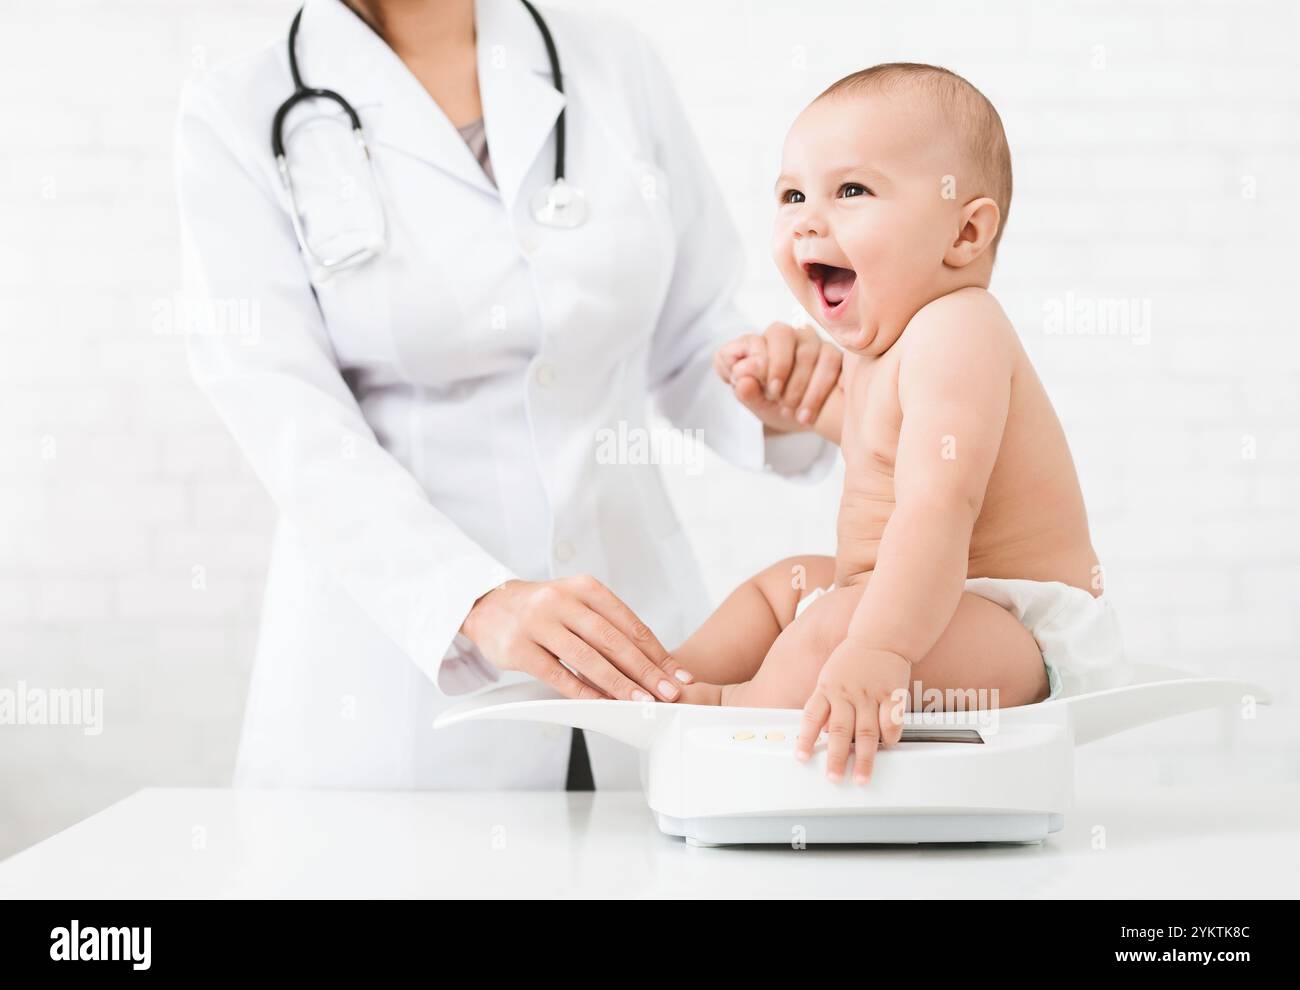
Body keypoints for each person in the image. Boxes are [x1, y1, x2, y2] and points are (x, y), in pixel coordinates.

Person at [174, 0, 842, 789]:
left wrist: (773, 398)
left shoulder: (612, 60)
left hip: (644, 654)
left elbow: (695, 334)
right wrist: (472, 599)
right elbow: (289, 417)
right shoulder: (238, 109)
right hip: (394, 692)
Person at [674, 64, 1128, 785]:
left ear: (965, 230)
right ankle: (665, 677)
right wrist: (782, 404)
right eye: (792, 195)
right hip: (900, 599)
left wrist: (879, 649)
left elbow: (938, 503)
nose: (808, 219)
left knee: (829, 630)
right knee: (778, 589)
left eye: (851, 191)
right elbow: (872, 439)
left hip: (1015, 629)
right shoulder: (879, 345)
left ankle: (723, 710)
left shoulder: (959, 329)